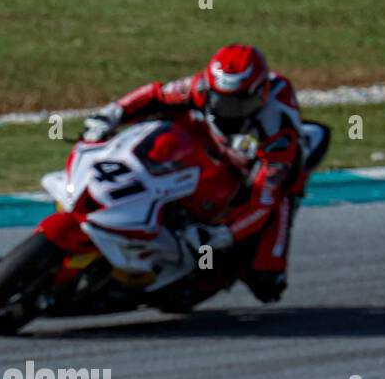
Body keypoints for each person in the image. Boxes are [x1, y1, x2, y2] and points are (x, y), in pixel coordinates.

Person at [81, 44, 308, 303]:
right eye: (220, 99)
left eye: (236, 103)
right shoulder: (201, 87)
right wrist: (110, 115)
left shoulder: (278, 132)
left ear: (260, 95)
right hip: (211, 140)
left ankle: (210, 270)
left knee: (267, 281)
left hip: (263, 166)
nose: (225, 109)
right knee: (163, 124)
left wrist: (224, 234)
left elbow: (263, 201)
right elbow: (155, 94)